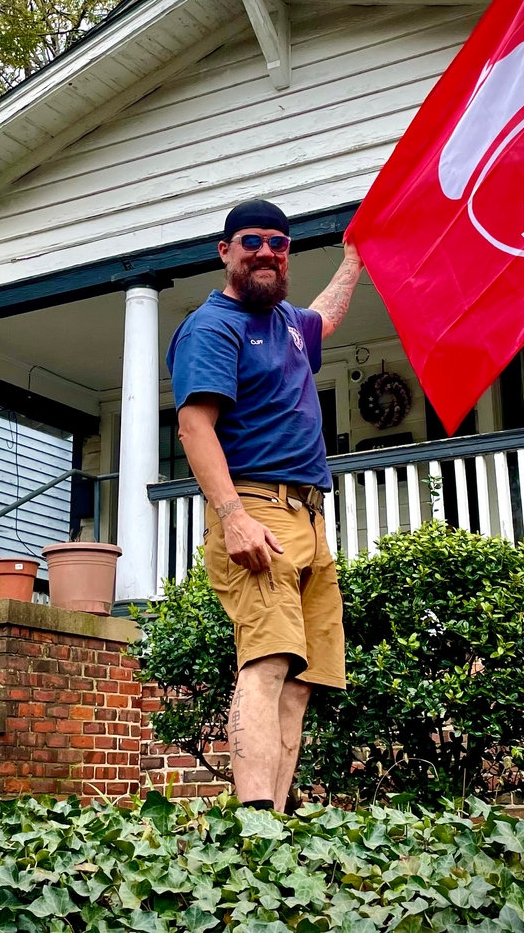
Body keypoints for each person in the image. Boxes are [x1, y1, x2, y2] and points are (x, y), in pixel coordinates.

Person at [165, 198, 363, 811]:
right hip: (255, 505)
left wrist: (357, 256)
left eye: (279, 243)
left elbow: (324, 318)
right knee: (268, 660)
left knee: (301, 682)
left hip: (308, 513)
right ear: (224, 251)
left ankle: (276, 826)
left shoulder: (287, 325)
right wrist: (233, 517)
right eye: (251, 241)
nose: (266, 252)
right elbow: (194, 428)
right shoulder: (213, 327)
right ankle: (253, 832)